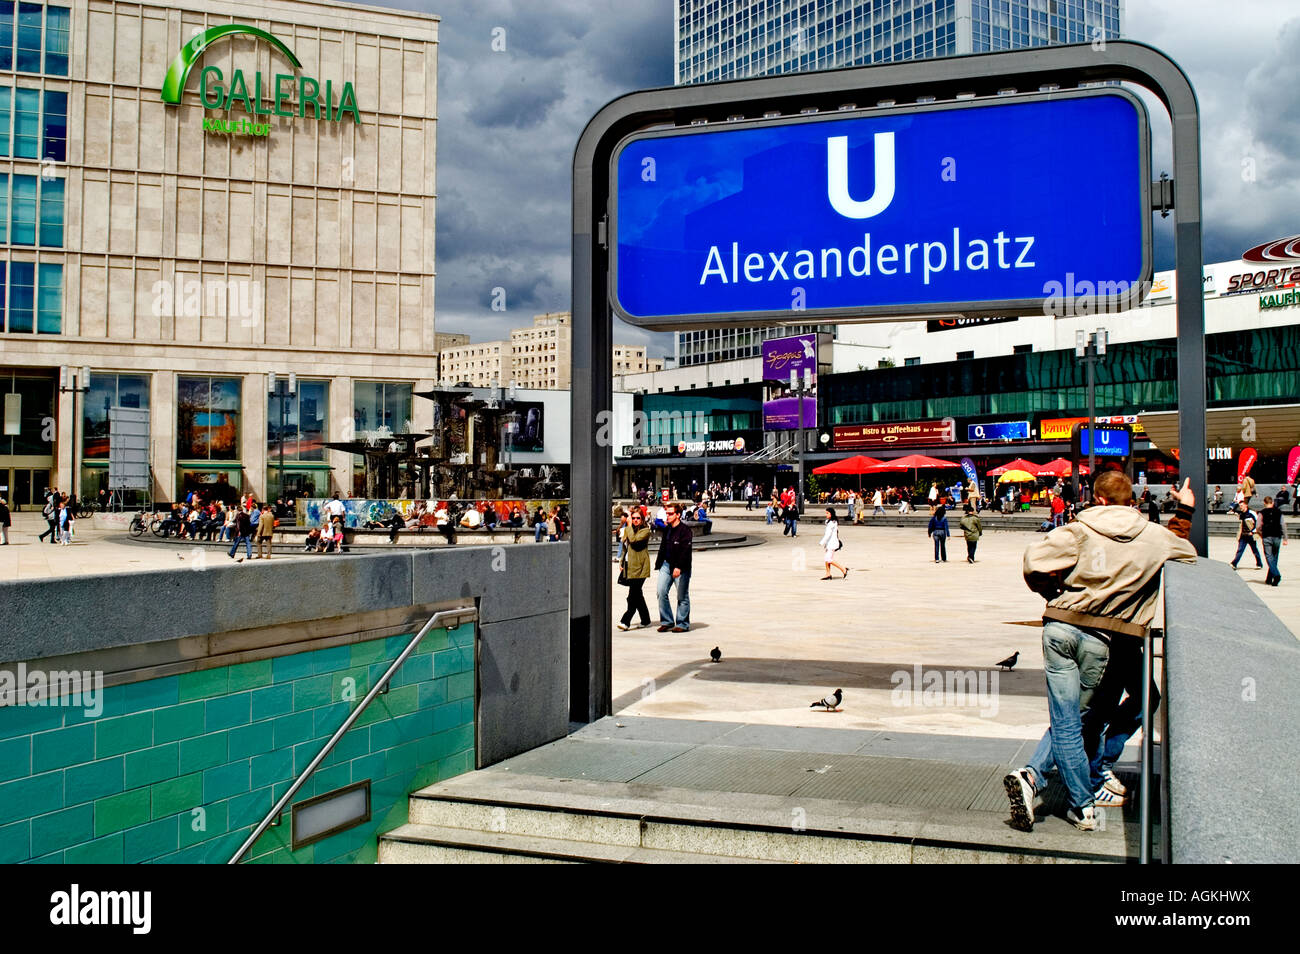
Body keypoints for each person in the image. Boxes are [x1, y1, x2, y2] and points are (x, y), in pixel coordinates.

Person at [1005, 473, 1196, 833]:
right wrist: (1184, 509)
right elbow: (1184, 551)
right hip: (1107, 636)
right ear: (1132, 500)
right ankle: (1084, 793)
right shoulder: (1152, 534)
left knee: (1071, 720)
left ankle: (1042, 778)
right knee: (1083, 718)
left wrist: (1052, 592)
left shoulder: (1078, 529)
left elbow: (1033, 562)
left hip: (1060, 627)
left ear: (1099, 498)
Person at [655, 502, 693, 632]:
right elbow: (663, 548)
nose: (668, 516)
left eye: (670, 513)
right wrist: (659, 564)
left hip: (680, 567)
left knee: (682, 596)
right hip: (666, 564)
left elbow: (685, 551)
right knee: (661, 592)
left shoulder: (685, 531)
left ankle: (682, 623)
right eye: (667, 513)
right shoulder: (668, 529)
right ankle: (667, 621)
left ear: (678, 515)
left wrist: (679, 567)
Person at [617, 509, 653, 630]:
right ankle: (646, 619)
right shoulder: (629, 530)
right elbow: (624, 547)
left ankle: (625, 621)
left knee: (632, 596)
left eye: (638, 518)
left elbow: (633, 540)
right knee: (637, 595)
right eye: (633, 518)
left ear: (642, 519)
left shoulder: (645, 531)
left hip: (640, 567)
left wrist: (629, 526)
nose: (635, 520)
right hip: (629, 566)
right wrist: (621, 561)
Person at [1259, 496, 1287, 587]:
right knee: (1274, 557)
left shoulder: (1262, 513)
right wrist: (1285, 538)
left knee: (1269, 557)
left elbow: (1258, 526)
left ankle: (1276, 575)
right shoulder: (1279, 512)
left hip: (1267, 536)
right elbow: (1283, 525)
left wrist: (1261, 534)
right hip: (1277, 536)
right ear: (1273, 503)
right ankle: (1269, 578)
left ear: (1264, 503)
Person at [1229, 500, 1263, 571]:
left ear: (1246, 505)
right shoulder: (1241, 514)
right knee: (1240, 550)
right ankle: (1234, 564)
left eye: (1242, 505)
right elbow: (1241, 523)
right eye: (1240, 506)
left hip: (1251, 535)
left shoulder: (1252, 513)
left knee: (1254, 550)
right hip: (1243, 535)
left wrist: (1253, 532)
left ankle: (1259, 563)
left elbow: (1257, 523)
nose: (1240, 507)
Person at [818, 508, 849, 580]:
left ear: (831, 514)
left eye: (827, 513)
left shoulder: (832, 523)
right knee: (827, 559)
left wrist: (822, 542)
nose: (826, 514)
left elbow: (828, 534)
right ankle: (828, 574)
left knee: (828, 559)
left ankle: (843, 569)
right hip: (830, 543)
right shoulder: (830, 522)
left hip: (832, 543)